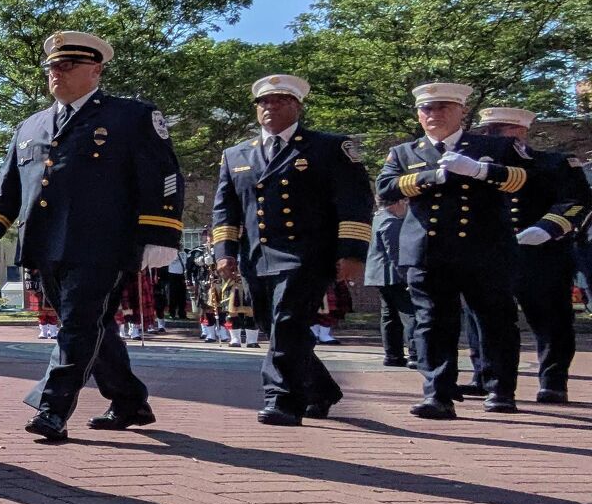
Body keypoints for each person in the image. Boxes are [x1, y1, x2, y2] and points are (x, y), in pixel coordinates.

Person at [0, 31, 182, 443]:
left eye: (67, 66)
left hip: (103, 243)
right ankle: (129, 400)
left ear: (96, 70)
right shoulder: (31, 125)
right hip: (45, 243)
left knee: (79, 323)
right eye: (52, 66)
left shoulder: (132, 117)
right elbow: (9, 186)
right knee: (90, 324)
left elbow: (163, 176)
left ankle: (52, 407)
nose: (56, 73)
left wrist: (162, 234)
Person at [208, 74, 373, 426]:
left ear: (297, 106)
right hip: (259, 254)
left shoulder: (328, 148)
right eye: (263, 102)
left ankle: (281, 398)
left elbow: (354, 202)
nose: (270, 107)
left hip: (308, 254)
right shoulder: (236, 154)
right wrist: (225, 250)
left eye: (280, 101)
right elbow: (226, 208)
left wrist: (352, 252)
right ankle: (322, 389)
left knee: (288, 322)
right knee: (275, 325)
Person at [376, 82, 527, 418]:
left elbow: (524, 179)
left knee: (495, 321)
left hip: (485, 249)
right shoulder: (405, 152)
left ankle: (500, 389)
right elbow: (385, 187)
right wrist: (431, 177)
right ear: (418, 114)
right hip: (428, 251)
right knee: (432, 322)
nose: (434, 114)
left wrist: (480, 170)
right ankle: (437, 393)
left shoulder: (495, 146)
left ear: (462, 112)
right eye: (427, 109)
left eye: (443, 107)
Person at [470, 106, 588, 404]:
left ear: (522, 132)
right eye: (486, 131)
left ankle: (553, 380)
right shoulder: (472, 165)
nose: (490, 137)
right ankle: (485, 377)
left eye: (499, 131)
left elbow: (577, 202)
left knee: (550, 317)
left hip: (539, 252)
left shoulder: (554, 163)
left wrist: (547, 228)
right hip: (489, 253)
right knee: (483, 319)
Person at [367, 197, 416, 367]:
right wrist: (406, 275)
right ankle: (415, 353)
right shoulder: (391, 221)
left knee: (389, 315)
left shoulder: (376, 218)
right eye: (404, 202)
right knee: (409, 313)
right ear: (395, 203)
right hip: (392, 275)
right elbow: (395, 253)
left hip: (379, 275)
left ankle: (393, 354)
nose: (405, 206)